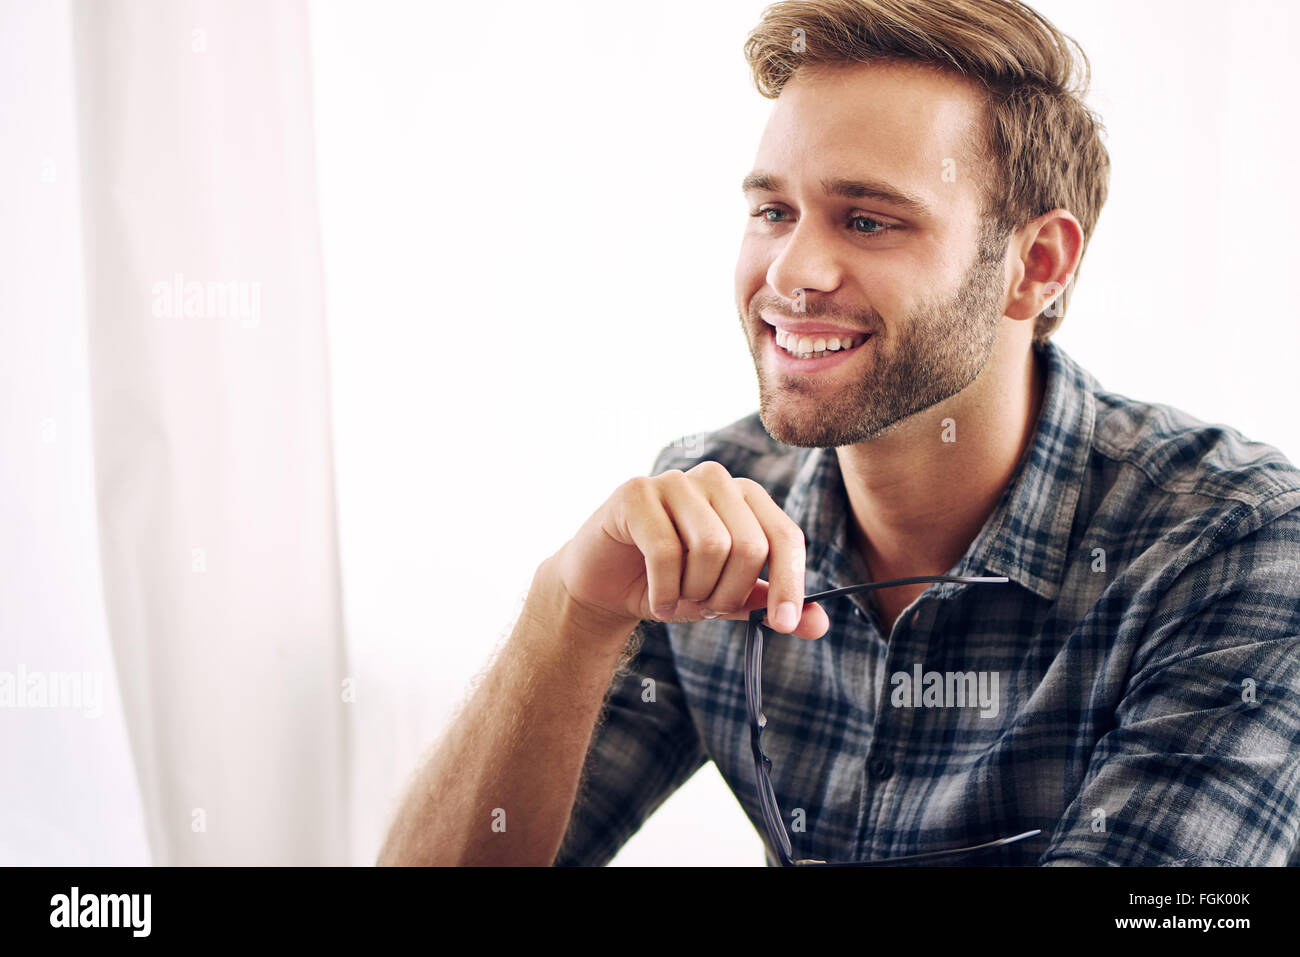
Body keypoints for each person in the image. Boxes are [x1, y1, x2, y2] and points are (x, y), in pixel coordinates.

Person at [377, 0, 1300, 866]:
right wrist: (571, 612)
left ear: (1035, 265)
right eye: (774, 211)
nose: (792, 270)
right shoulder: (715, 510)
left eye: (868, 219)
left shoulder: (1236, 544)